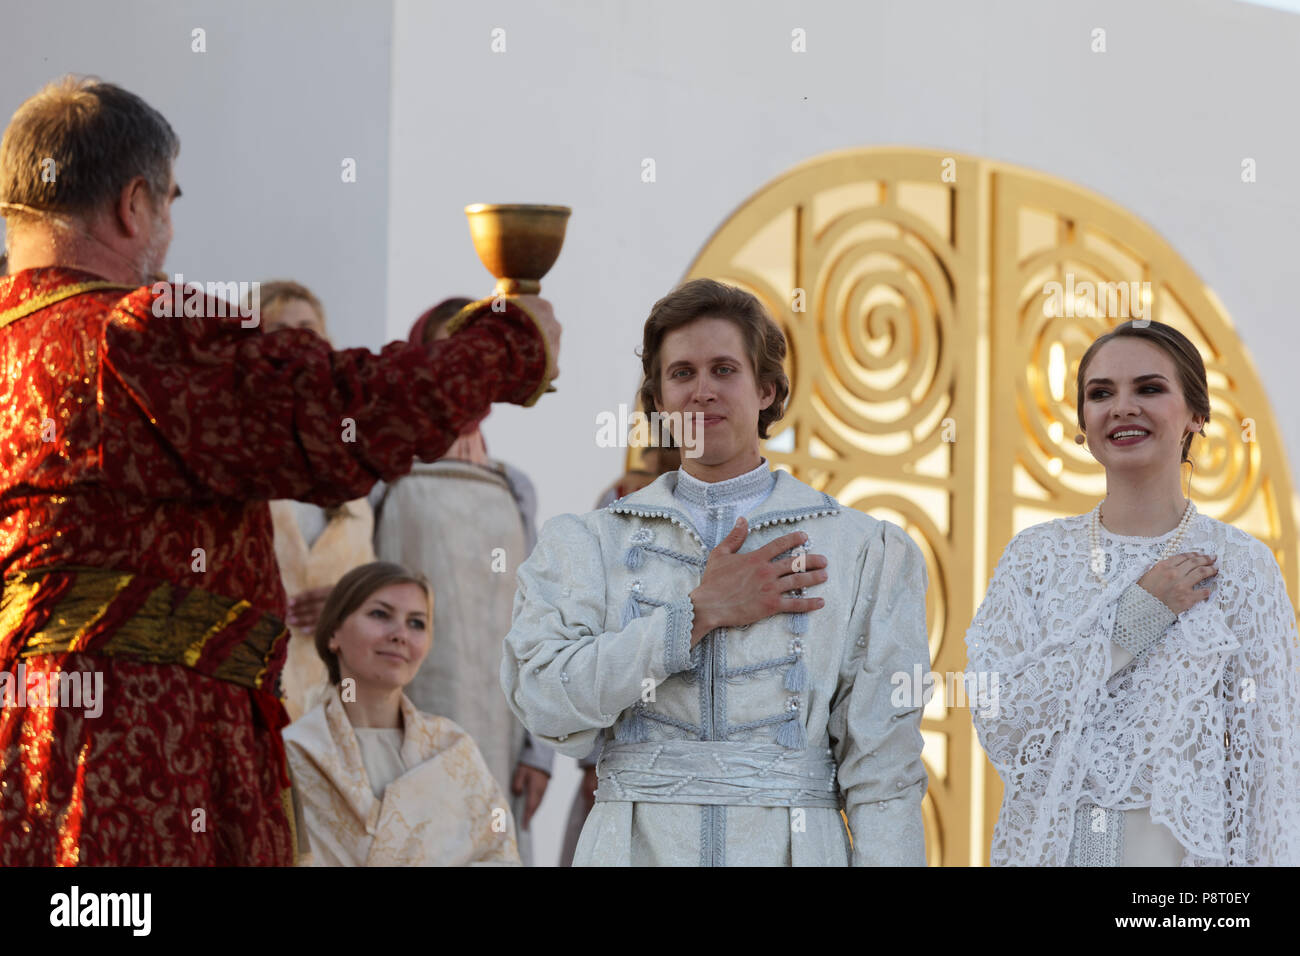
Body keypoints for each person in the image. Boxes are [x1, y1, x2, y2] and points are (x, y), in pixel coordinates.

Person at [0, 76, 560, 865]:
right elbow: (336, 415)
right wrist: (511, 344)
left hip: (23, 757)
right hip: (141, 757)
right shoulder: (137, 337)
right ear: (135, 204)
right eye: (171, 199)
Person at [502, 278, 930, 866]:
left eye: (724, 369)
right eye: (681, 374)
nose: (701, 391)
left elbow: (885, 770)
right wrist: (695, 616)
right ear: (657, 399)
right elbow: (545, 700)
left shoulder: (864, 550)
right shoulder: (588, 542)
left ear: (768, 390)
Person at [965, 319, 1300, 866]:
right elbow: (1002, 715)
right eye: (1101, 394)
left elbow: (1269, 767)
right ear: (1083, 424)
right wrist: (1139, 616)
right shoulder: (1036, 558)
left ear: (1196, 414)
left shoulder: (1242, 567)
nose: (1122, 407)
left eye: (1149, 388)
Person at [372, 297, 552, 864]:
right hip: (403, 724)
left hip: (500, 730)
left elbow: (540, 617)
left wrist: (540, 751)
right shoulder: (381, 477)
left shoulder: (516, 487)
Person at [282, 562, 519, 866]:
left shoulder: (454, 751)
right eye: (380, 614)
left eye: (417, 623)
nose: (400, 635)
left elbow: (498, 852)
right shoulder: (294, 751)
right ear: (333, 634)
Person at [257, 281, 378, 721]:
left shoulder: (357, 454)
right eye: (278, 329)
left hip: (342, 702)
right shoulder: (230, 453)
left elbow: (391, 579)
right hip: (256, 695)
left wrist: (354, 603)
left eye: (308, 328)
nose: (296, 340)